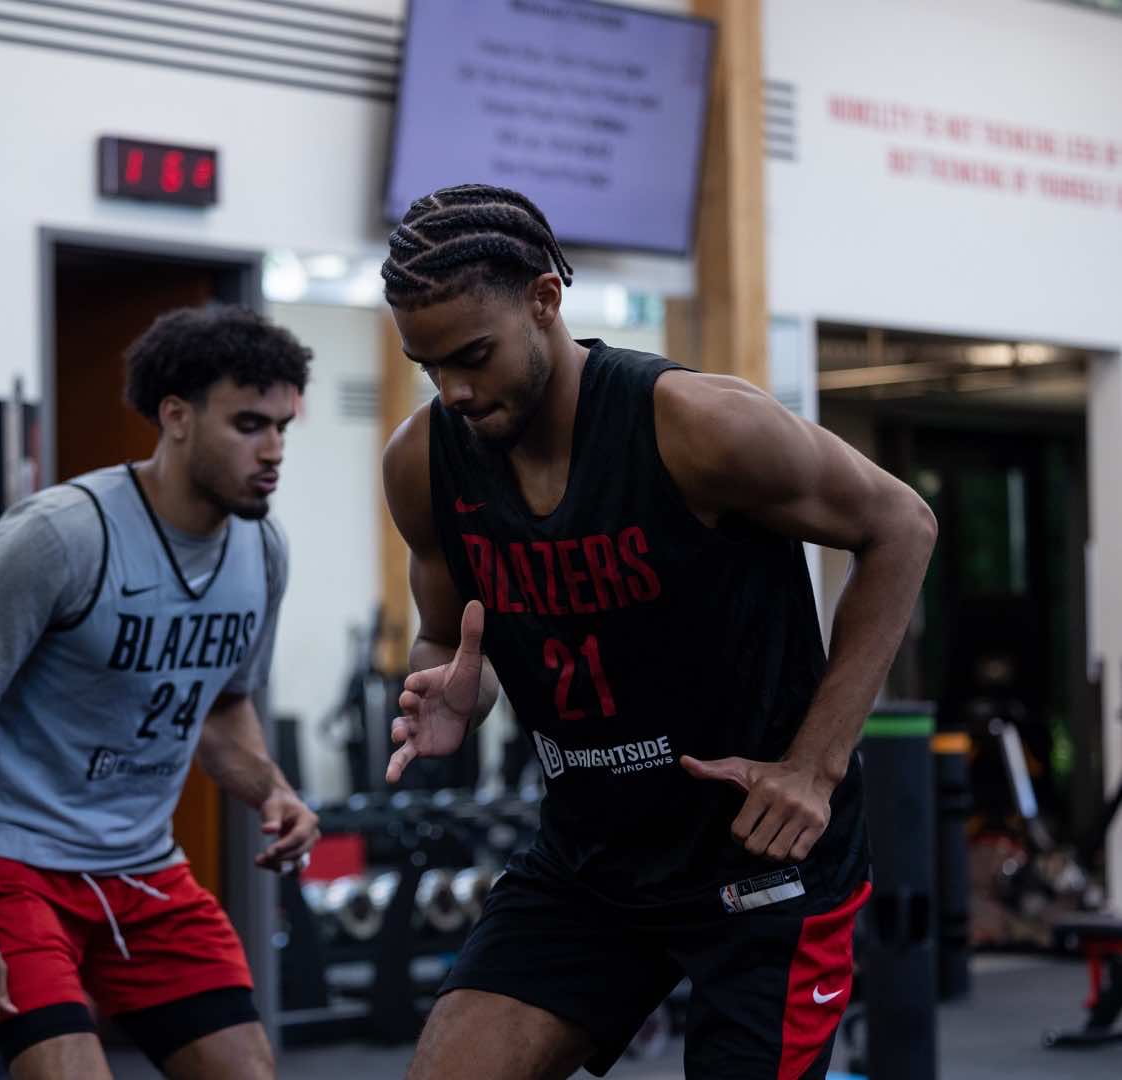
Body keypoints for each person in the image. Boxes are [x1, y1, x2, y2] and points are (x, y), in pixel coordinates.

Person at [378, 185, 937, 1080]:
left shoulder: (698, 426)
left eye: (473, 356)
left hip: (763, 855)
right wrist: (454, 690)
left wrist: (815, 767)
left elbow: (903, 526)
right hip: (592, 857)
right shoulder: (425, 460)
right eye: (428, 365)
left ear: (545, 300)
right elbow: (447, 641)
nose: (455, 390)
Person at [0, 304, 319, 1080]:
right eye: (251, 424)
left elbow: (220, 705)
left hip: (144, 867)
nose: (274, 450)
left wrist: (272, 790)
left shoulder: (262, 548)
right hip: (15, 863)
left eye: (285, 427)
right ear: (177, 417)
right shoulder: (62, 536)